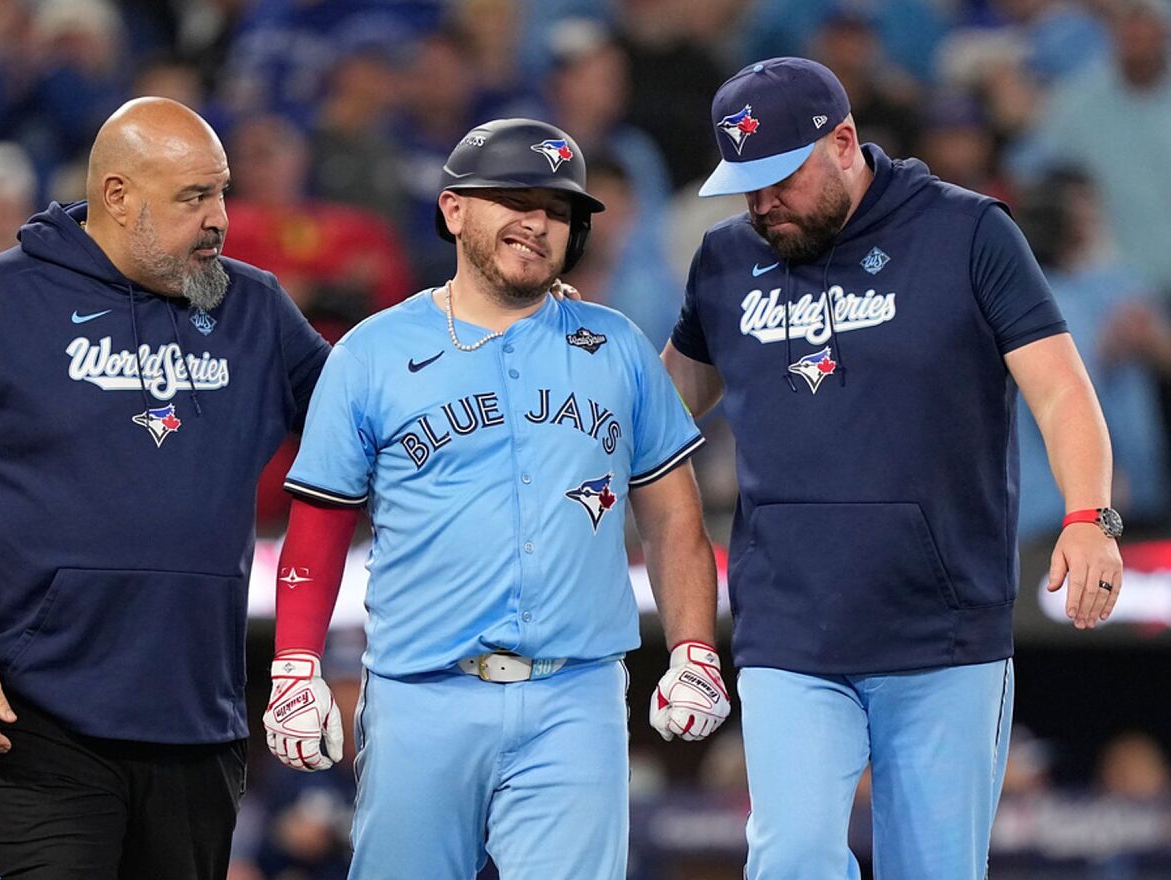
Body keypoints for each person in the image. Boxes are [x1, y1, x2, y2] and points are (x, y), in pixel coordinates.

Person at [663, 57, 1123, 879]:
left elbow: (1061, 391)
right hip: (790, 629)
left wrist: (1091, 518)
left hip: (943, 633)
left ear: (843, 142)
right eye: (747, 184)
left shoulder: (969, 232)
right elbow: (662, 406)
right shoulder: (727, 261)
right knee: (792, 857)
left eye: (781, 179)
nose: (763, 203)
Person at [261, 117, 730, 880]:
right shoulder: (372, 351)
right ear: (453, 210)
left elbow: (674, 516)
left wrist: (694, 647)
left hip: (576, 695)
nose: (537, 222)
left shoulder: (615, 346)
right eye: (514, 198)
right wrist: (294, 666)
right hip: (422, 694)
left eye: (557, 210)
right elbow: (318, 520)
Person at [0, 96, 331, 879]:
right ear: (119, 196)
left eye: (223, 192)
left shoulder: (253, 309)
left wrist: (483, 315)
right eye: (196, 197)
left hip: (198, 714)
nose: (221, 219)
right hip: (37, 717)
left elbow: (365, 413)